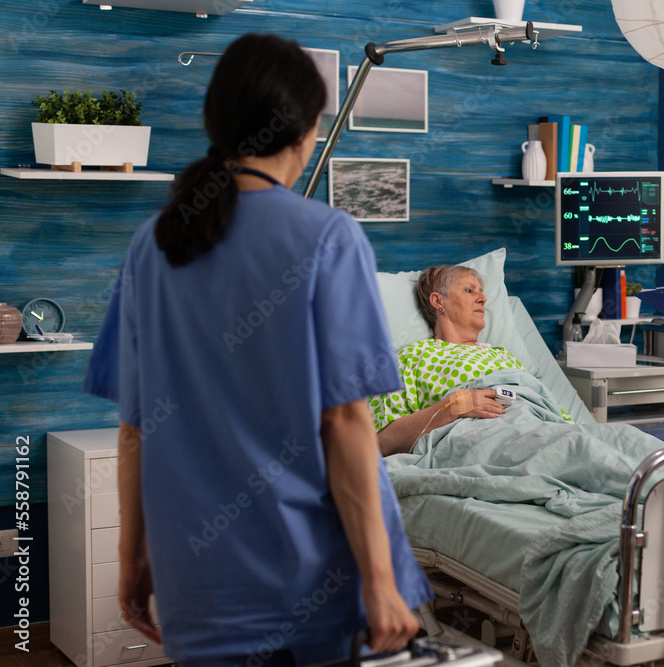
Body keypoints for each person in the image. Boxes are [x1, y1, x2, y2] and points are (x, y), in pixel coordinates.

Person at [116, 33, 430, 666]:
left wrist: (134, 557)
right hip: (310, 580)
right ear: (308, 130)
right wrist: (377, 579)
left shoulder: (152, 246)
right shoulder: (328, 237)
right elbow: (345, 420)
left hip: (196, 582)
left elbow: (134, 428)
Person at [371, 265, 573, 455]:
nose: (483, 298)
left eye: (482, 292)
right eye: (469, 290)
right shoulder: (413, 357)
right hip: (483, 444)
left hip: (544, 431)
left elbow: (550, 409)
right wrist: (452, 408)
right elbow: (381, 443)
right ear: (438, 301)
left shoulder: (504, 355)